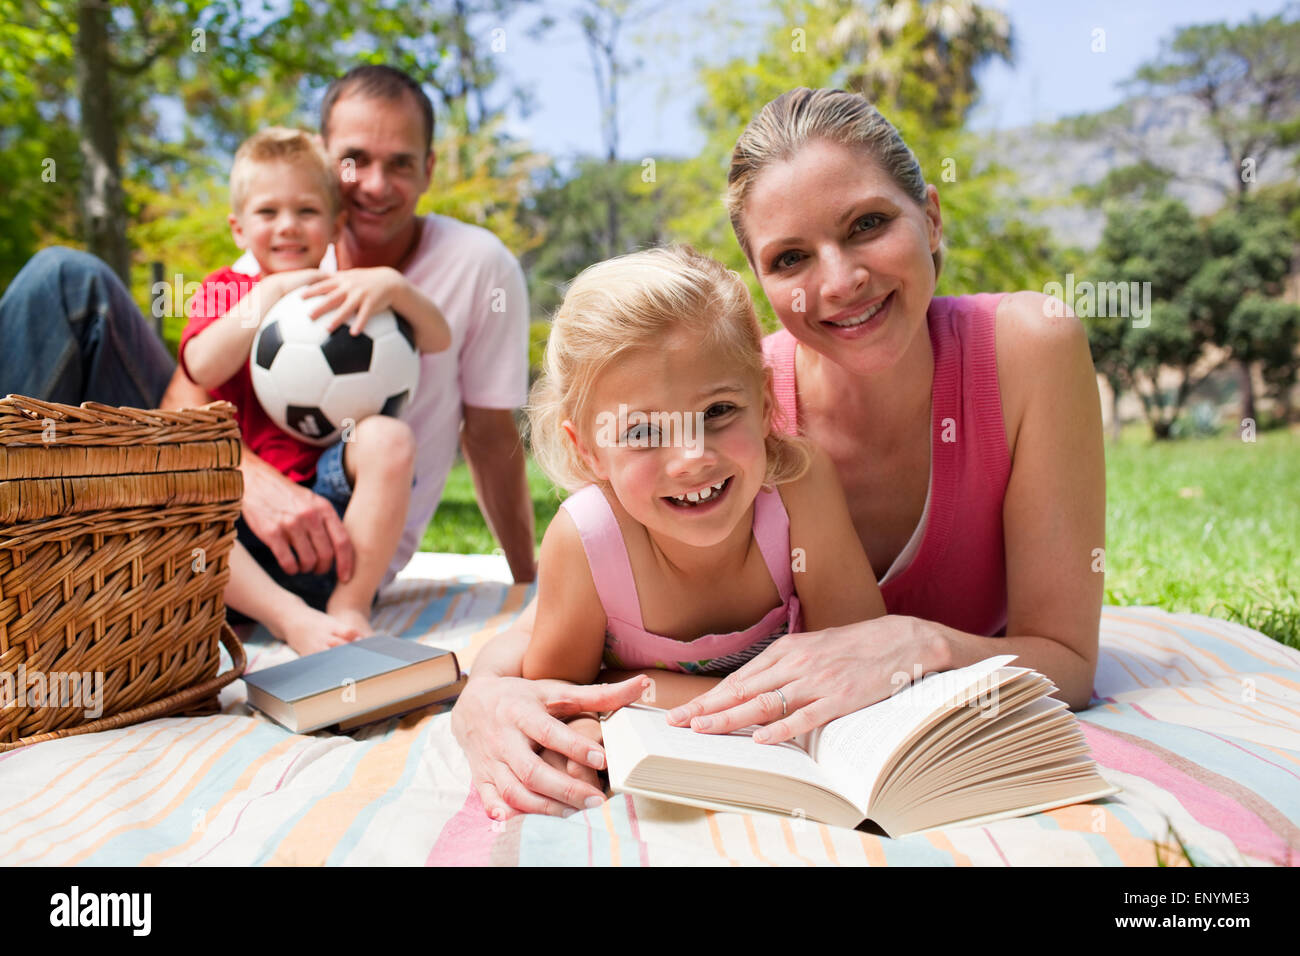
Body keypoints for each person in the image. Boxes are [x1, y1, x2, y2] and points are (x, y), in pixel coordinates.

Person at [451, 86, 1106, 821]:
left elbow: (1069, 663)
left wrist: (910, 643)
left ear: (931, 215)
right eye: (791, 257)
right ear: (761, 281)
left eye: (868, 224)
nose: (840, 280)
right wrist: (481, 700)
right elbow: (587, 594)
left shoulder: (1026, 348)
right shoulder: (730, 409)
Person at [0, 64, 537, 624]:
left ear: (428, 170)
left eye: (400, 163)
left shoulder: (478, 264)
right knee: (64, 279)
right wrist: (247, 479)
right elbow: (185, 396)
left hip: (344, 544)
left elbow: (490, 433)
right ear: (329, 163)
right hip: (221, 503)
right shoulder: (277, 255)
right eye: (356, 160)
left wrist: (527, 586)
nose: (376, 184)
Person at [519, 246, 887, 750]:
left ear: (763, 403)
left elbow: (863, 655)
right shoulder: (588, 538)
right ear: (588, 452)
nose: (691, 457)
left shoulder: (798, 487)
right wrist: (584, 727)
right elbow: (558, 697)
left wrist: (627, 691)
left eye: (717, 411)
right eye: (644, 431)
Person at [180, 127, 451, 654]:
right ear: (238, 228)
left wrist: (394, 287)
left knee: (389, 438)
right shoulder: (226, 290)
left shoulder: (347, 292)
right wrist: (272, 292)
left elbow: (437, 337)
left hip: (333, 520)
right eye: (267, 213)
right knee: (182, 488)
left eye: (306, 211)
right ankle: (290, 620)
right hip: (237, 541)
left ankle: (350, 606)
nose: (287, 227)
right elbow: (199, 363)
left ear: (336, 225)